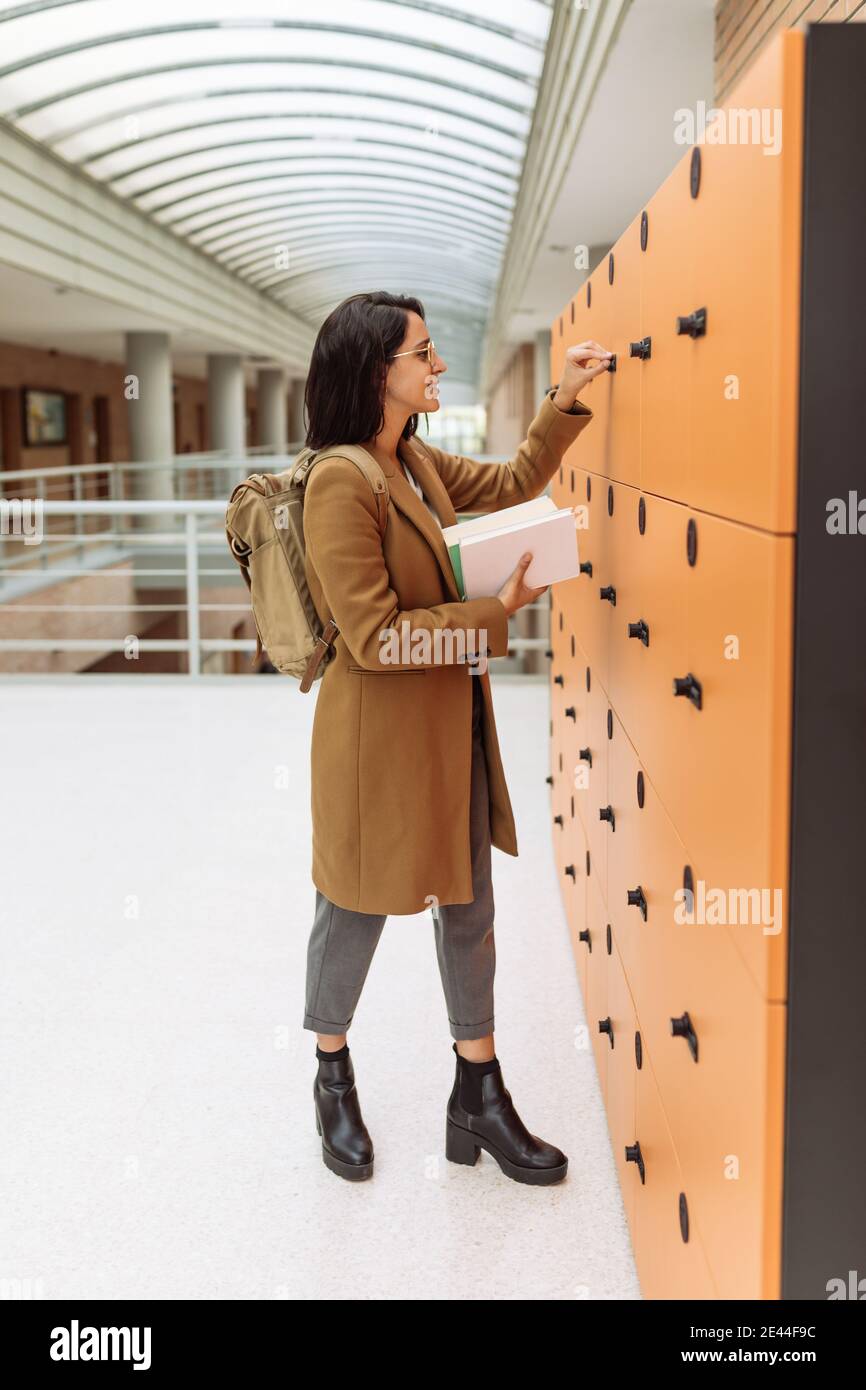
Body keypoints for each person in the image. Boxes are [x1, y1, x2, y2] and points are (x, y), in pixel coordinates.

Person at [300, 290, 611, 1183]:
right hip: (376, 746)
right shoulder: (338, 482)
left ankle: (477, 1092)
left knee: (470, 910)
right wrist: (495, 612)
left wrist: (567, 397)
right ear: (376, 373)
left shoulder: (414, 462)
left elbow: (513, 482)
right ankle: (332, 1073)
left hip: (448, 728)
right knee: (355, 910)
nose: (437, 366)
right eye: (423, 354)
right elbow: (374, 636)